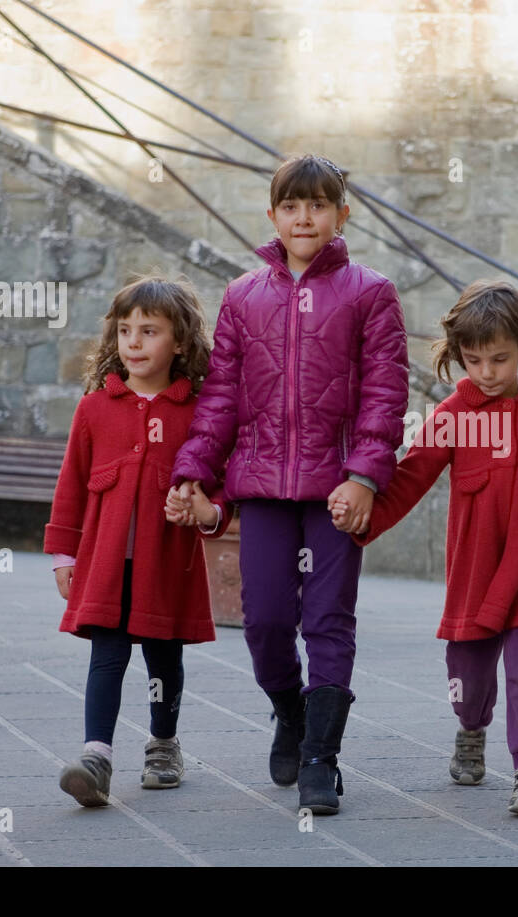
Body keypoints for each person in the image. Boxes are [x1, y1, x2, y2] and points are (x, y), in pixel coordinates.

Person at [171, 154, 409, 815]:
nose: (305, 216)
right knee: (267, 620)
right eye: (292, 205)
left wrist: (365, 476)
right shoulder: (243, 296)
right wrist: (193, 472)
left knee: (328, 621)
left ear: (342, 215)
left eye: (319, 204)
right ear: (272, 215)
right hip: (262, 486)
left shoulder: (370, 292)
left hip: (337, 490)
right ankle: (289, 710)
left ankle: (320, 760)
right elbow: (219, 396)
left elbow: (387, 394)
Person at [332, 279, 518, 817]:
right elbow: (409, 479)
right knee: (467, 676)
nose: (486, 372)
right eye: (473, 360)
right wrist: (367, 518)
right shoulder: (453, 416)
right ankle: (471, 726)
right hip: (474, 575)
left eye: (498, 359)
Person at [45, 275, 233, 808]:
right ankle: (96, 756)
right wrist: (64, 555)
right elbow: (70, 488)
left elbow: (219, 490)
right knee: (106, 656)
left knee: (163, 657)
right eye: (125, 330)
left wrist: (204, 511)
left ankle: (164, 743)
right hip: (105, 565)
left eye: (149, 331)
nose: (133, 341)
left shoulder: (198, 412)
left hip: (166, 565)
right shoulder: (94, 409)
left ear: (180, 343)